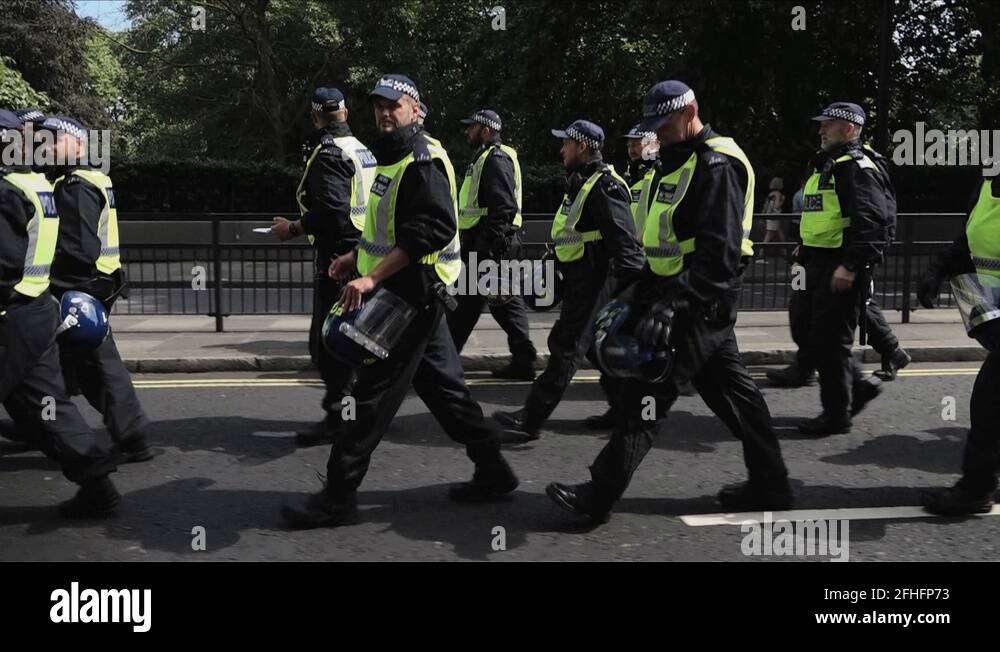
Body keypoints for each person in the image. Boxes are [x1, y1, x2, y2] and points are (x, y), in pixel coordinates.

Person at [545, 81, 791, 523]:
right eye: (652, 126)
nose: (659, 133)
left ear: (691, 111)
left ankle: (598, 496)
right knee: (732, 392)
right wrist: (638, 292)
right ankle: (770, 482)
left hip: (699, 298)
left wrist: (674, 303)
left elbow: (719, 254)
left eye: (666, 123)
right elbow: (662, 238)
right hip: (674, 293)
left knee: (650, 395)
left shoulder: (717, 164)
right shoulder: (676, 162)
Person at [281, 75, 518, 529]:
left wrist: (371, 277)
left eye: (394, 105)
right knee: (448, 395)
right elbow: (387, 227)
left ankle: (338, 497)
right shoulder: (394, 158)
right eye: (378, 107)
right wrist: (356, 254)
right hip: (413, 294)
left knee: (369, 398)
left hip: (410, 296)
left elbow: (430, 230)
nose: (385, 113)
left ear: (414, 108)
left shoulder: (422, 160)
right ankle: (494, 469)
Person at [491, 119, 645, 442]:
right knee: (590, 350)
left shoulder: (604, 186)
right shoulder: (581, 181)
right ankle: (624, 409)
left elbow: (627, 248)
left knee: (566, 347)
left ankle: (530, 419)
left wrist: (629, 299)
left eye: (566, 144)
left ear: (583, 146)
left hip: (595, 283)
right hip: (579, 279)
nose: (562, 150)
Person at [0, 108, 120, 516]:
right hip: (34, 312)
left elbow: (3, 265)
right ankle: (96, 483)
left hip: (11, 315)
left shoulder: (9, 189)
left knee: (50, 400)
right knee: (45, 403)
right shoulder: (36, 183)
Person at [39, 115, 154, 463]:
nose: (46, 148)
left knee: (95, 364)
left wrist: (49, 284)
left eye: (53, 141)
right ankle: (39, 418)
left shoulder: (76, 185)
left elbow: (78, 250)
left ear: (76, 144)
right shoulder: (91, 177)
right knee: (78, 363)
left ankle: (130, 434)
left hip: (82, 287)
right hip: (98, 282)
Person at [271, 87, 373, 446]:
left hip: (339, 260)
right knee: (352, 339)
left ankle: (340, 419)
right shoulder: (362, 150)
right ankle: (359, 411)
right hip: (363, 254)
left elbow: (331, 210)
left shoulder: (328, 154)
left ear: (315, 117)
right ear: (344, 113)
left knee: (328, 344)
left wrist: (292, 228)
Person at [790, 102, 895, 436]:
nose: (821, 129)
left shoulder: (856, 167)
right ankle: (858, 388)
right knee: (810, 330)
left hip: (841, 265)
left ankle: (836, 415)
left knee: (829, 342)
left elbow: (871, 220)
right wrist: (804, 248)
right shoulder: (831, 163)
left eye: (829, 124)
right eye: (821, 123)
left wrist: (851, 266)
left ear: (849, 129)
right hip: (817, 261)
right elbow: (825, 214)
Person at [919, 176, 1000, 515]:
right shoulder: (986, 185)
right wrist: (937, 272)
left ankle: (976, 489)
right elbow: (968, 240)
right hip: (991, 302)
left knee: (989, 399)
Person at [447, 109, 537, 380]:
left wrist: (487, 247)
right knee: (468, 305)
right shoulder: (485, 158)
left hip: (491, 247)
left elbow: (504, 208)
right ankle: (447, 361)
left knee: (501, 305)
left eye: (471, 127)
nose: (467, 131)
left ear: (486, 130)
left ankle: (524, 359)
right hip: (483, 244)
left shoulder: (496, 159)